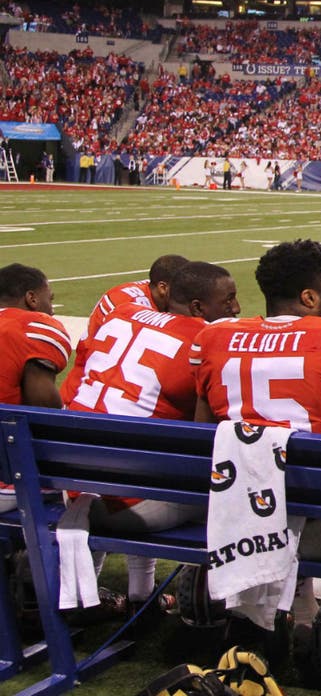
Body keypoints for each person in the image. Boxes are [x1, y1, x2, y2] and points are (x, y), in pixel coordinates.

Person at [192, 240, 321, 646]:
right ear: (309, 297)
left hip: (234, 521)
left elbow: (202, 439)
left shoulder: (215, 340)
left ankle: (300, 618)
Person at [65, 262, 240, 615]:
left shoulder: (121, 314)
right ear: (196, 308)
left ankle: (129, 596)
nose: (235, 309)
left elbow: (77, 381)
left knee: (135, 461)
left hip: (70, 487)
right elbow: (218, 424)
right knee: (241, 491)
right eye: (228, 301)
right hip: (127, 504)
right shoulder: (206, 339)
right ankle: (242, 613)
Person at [60, 255, 191, 404]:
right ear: (163, 288)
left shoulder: (148, 292)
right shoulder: (126, 304)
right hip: (90, 390)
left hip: (111, 388)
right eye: (184, 290)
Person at [0, 263, 71, 512]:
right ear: (31, 298)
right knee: (87, 488)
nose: (50, 308)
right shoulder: (32, 328)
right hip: (7, 480)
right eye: (48, 299)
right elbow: (47, 418)